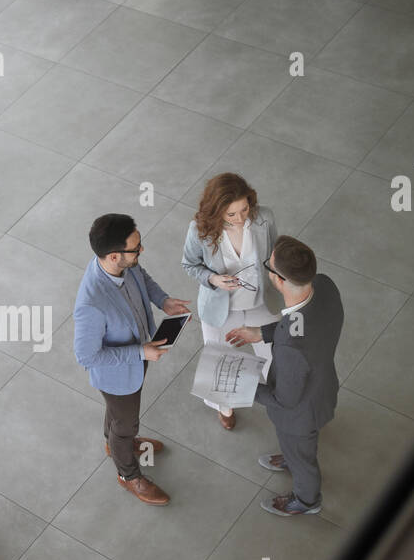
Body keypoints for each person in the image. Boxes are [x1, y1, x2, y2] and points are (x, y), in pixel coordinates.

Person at [72, 213, 191, 506]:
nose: (142, 251)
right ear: (114, 256)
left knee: (118, 417)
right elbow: (86, 356)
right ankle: (128, 475)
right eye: (136, 248)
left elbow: (143, 278)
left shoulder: (125, 264)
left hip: (139, 356)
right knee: (126, 425)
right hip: (118, 373)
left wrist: (163, 300)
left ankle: (114, 443)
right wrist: (140, 352)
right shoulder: (91, 303)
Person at [226, 236, 343, 516]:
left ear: (278, 280)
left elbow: (285, 400)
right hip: (323, 388)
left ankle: (306, 501)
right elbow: (301, 322)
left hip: (300, 414)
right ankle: (293, 456)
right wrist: (261, 333)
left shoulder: (292, 346)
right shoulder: (324, 284)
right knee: (299, 449)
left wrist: (243, 384)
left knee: (305, 461)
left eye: (269, 264)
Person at [181, 172, 279, 430]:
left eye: (244, 209)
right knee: (221, 362)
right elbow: (190, 264)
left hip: (261, 301)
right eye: (231, 214)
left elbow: (274, 255)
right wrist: (213, 279)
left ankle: (283, 402)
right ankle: (225, 408)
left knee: (276, 355)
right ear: (216, 211)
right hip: (221, 307)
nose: (240, 218)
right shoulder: (199, 230)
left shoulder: (264, 218)